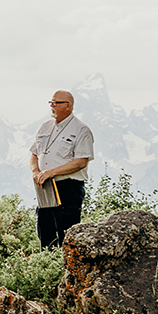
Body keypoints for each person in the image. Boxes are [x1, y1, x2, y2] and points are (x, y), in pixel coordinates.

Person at [30, 90, 94, 248]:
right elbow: (34, 154)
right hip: (45, 186)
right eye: (50, 102)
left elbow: (81, 162)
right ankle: (48, 268)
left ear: (68, 106)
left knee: (67, 235)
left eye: (56, 103)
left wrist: (51, 172)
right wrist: (36, 172)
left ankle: (66, 270)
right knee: (45, 231)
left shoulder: (81, 130)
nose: (52, 106)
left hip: (68, 187)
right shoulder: (45, 127)